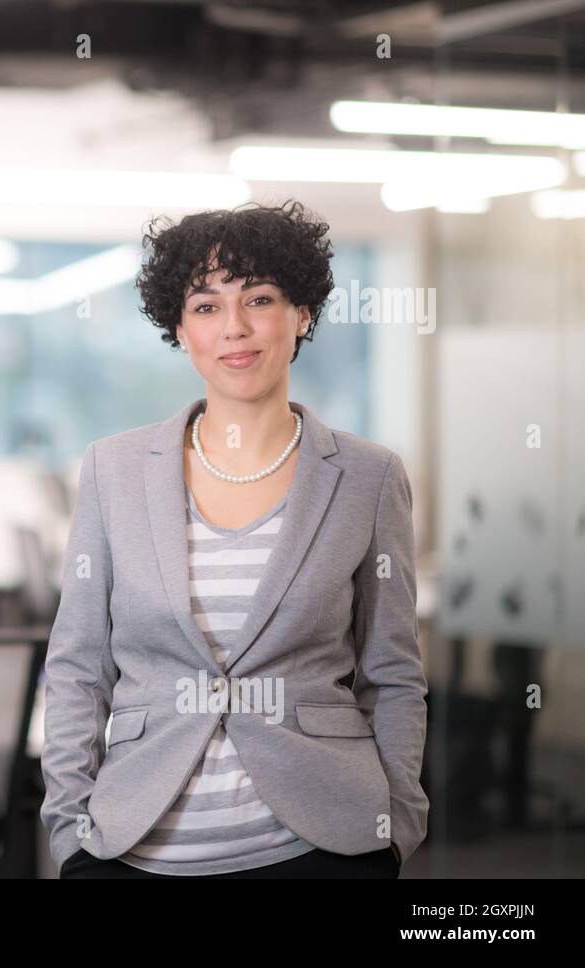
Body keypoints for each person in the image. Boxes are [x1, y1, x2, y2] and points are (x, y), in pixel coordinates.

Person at [41, 200, 428, 879]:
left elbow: (392, 673)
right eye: (206, 306)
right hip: (134, 849)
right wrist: (70, 828)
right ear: (179, 327)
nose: (236, 328)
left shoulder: (367, 478)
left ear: (302, 313)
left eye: (260, 298)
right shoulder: (114, 470)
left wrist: (396, 825)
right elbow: (77, 668)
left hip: (322, 848)